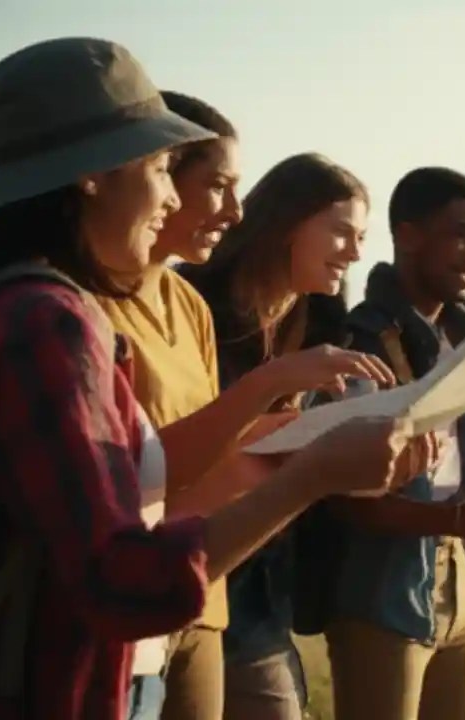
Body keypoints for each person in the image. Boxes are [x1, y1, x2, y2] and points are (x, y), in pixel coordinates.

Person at [0, 37, 416, 720]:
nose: (172, 198)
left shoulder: (24, 308)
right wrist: (312, 474)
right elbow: (121, 580)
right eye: (161, 168)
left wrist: (305, 449)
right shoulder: (44, 325)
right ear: (94, 175)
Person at [97, 94, 398, 720]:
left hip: (230, 586)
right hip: (147, 583)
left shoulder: (201, 308)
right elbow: (152, 471)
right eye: (217, 186)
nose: (233, 211)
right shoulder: (103, 310)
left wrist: (345, 446)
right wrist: (288, 417)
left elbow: (217, 450)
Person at [179, 152, 415, 719]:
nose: (355, 252)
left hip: (263, 582)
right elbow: (174, 448)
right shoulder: (194, 305)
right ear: (285, 223)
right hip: (186, 560)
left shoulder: (324, 324)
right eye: (341, 232)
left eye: (361, 238)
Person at [297, 167, 465, 720]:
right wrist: (462, 521)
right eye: (462, 235)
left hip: (461, 584)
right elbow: (345, 499)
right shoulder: (361, 344)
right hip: (380, 596)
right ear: (407, 235)